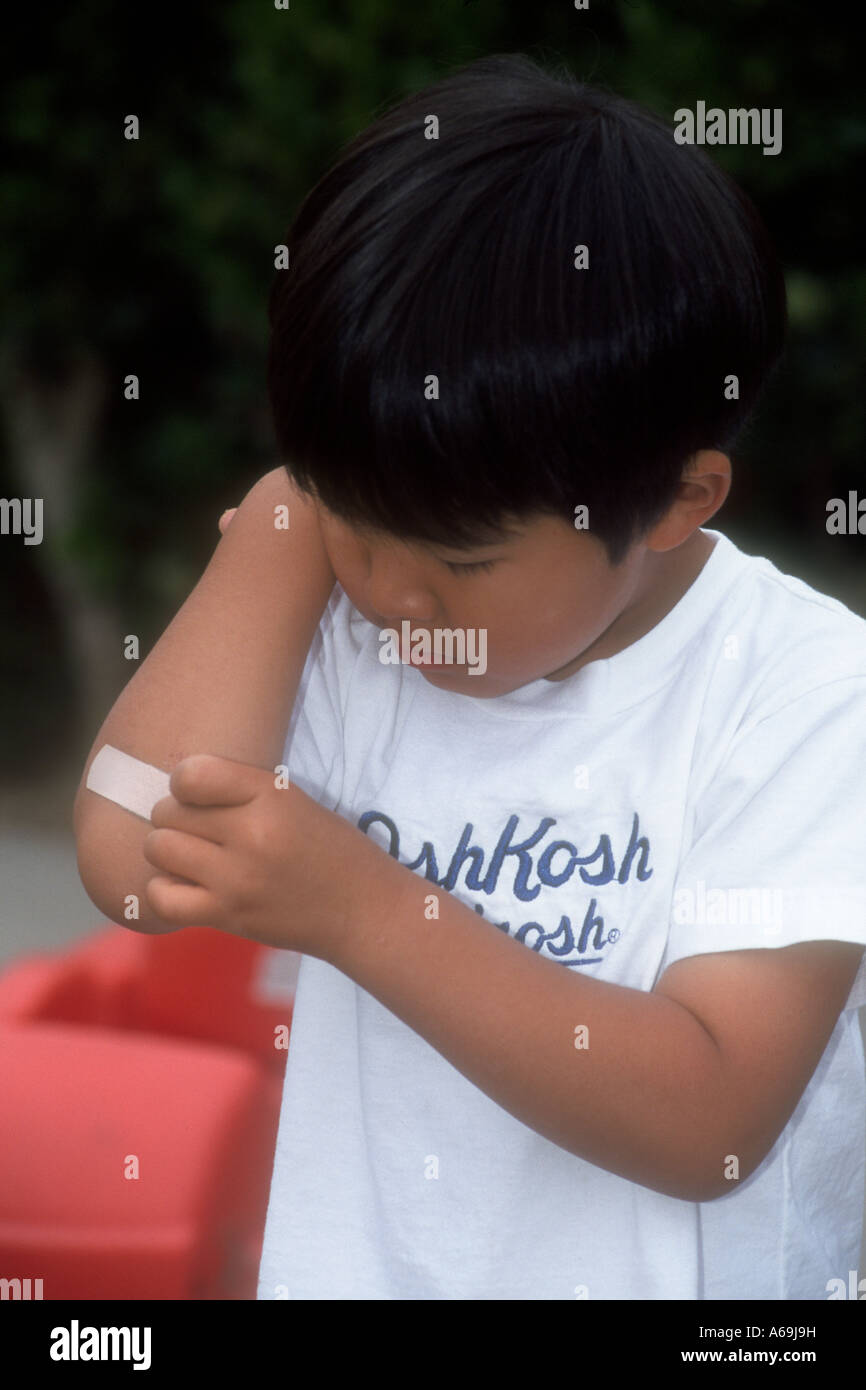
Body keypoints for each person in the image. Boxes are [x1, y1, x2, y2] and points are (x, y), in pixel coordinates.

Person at [75, 54, 866, 1300]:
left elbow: (707, 1120)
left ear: (676, 499)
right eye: (353, 519)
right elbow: (131, 857)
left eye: (456, 558)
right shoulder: (337, 621)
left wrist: (367, 912)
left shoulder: (802, 690)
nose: (391, 594)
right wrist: (281, 533)